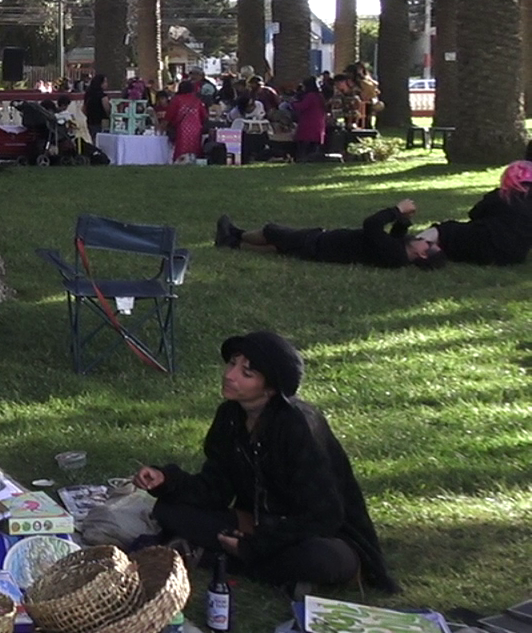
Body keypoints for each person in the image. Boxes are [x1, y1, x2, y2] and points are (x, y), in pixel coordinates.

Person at [135, 331, 398, 596]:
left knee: (319, 559)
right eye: (232, 364)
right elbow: (216, 487)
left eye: (247, 373)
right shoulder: (230, 415)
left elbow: (324, 515)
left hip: (319, 534)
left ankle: (216, 559)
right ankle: (270, 572)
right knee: (168, 511)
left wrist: (258, 544)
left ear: (270, 388)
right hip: (256, 523)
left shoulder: (299, 425)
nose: (230, 375)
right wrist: (166, 480)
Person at [214, 201, 447, 269]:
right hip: (323, 248)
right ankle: (232, 244)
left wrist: (395, 210)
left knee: (271, 232)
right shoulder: (398, 252)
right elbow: (395, 236)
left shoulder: (394, 253)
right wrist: (404, 221)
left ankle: (236, 234)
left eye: (427, 244)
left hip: (321, 243)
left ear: (423, 255)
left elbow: (372, 226)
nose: (423, 239)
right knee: (278, 248)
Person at [419, 161, 532, 265]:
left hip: (485, 246)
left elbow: (475, 214)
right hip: (516, 256)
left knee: (446, 229)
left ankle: (414, 247)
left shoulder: (500, 197)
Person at [164, 78, 210, 163]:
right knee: (195, 147)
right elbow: (204, 116)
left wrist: (164, 125)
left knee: (181, 148)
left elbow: (169, 115)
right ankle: (194, 161)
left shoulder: (176, 99)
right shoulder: (197, 100)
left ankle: (180, 162)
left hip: (181, 128)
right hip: (196, 128)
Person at [291, 78, 328, 161]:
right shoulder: (320, 96)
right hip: (318, 123)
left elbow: (302, 106)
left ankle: (302, 159)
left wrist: (293, 103)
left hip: (309, 123)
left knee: (304, 145)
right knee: (314, 145)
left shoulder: (310, 96)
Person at [84, 72, 109, 139]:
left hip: (91, 121)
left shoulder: (88, 94)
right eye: (105, 82)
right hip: (101, 122)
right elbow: (107, 109)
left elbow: (83, 108)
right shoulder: (102, 96)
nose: (107, 84)